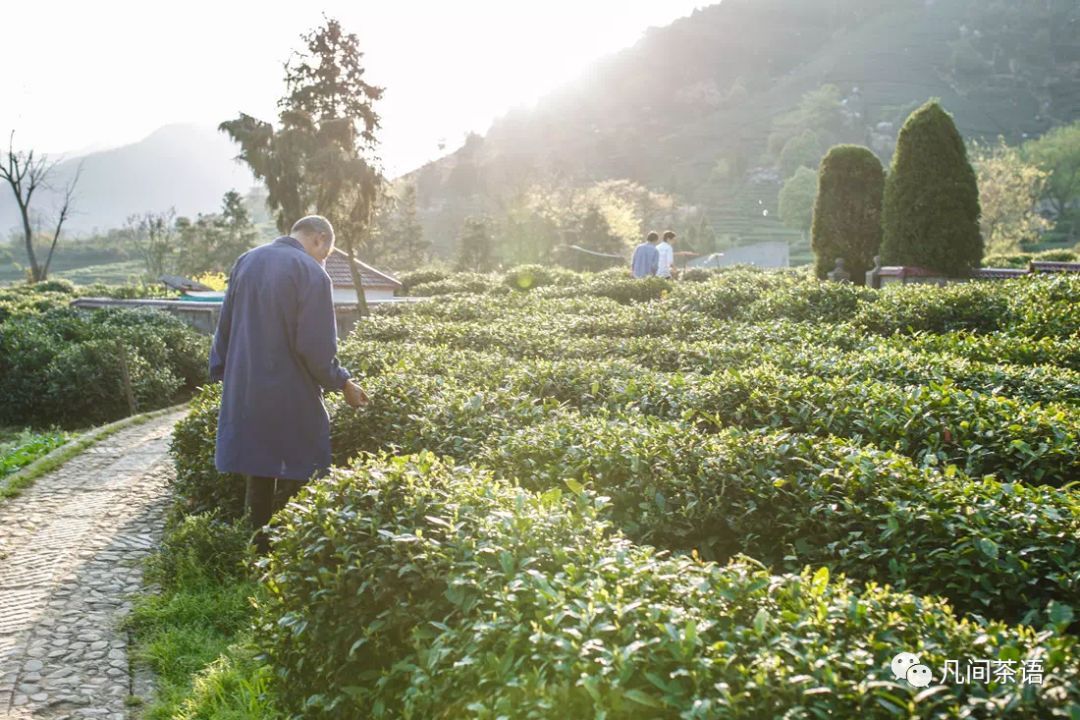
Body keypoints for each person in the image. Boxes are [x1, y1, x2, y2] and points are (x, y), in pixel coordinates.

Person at [209, 215, 369, 553]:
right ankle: (295, 557)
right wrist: (342, 382)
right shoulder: (311, 272)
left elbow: (224, 326)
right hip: (289, 391)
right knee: (306, 468)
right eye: (326, 252)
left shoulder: (247, 260)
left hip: (246, 388)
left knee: (259, 471)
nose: (323, 259)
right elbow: (315, 347)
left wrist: (226, 373)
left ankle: (257, 554)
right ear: (319, 240)